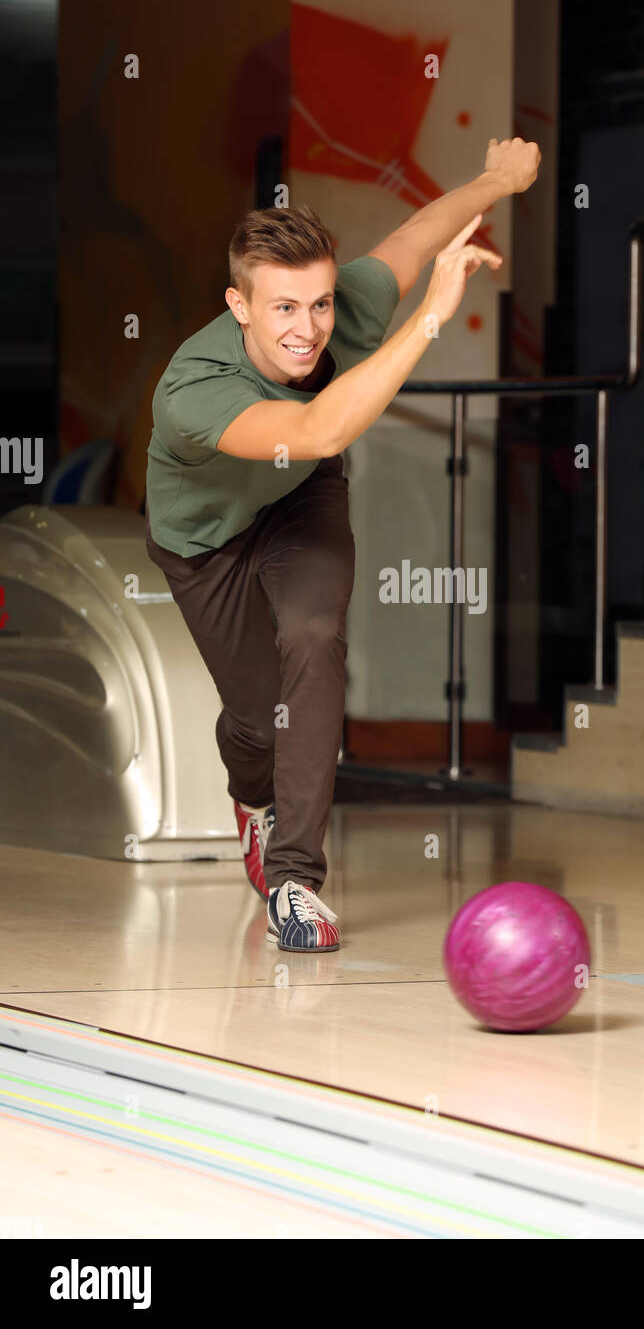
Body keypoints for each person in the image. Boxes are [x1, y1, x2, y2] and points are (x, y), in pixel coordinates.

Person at [144, 137, 541, 953]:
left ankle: (295, 882)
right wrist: (431, 317)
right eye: (284, 308)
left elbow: (417, 236)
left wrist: (497, 180)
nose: (309, 328)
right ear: (239, 304)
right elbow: (319, 428)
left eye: (319, 304)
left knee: (316, 637)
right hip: (203, 541)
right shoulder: (194, 390)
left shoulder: (347, 303)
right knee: (257, 721)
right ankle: (251, 800)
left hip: (299, 501)